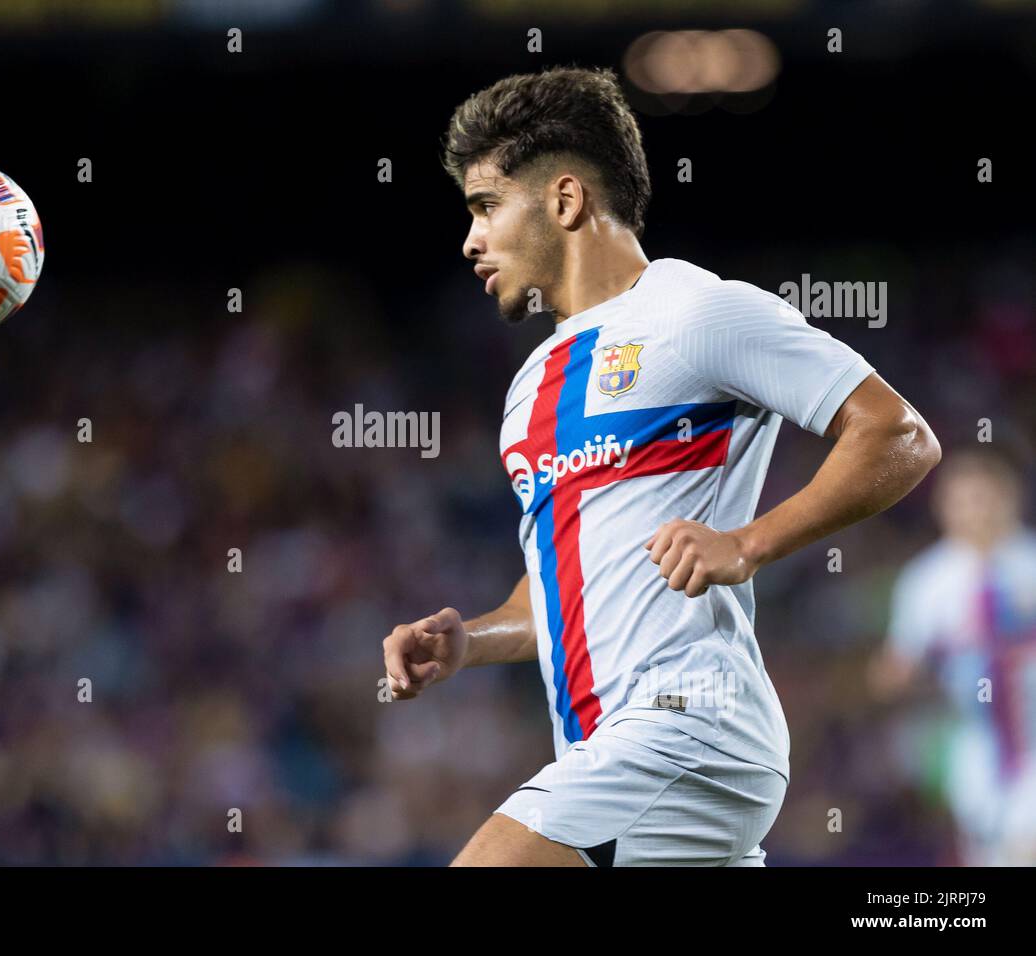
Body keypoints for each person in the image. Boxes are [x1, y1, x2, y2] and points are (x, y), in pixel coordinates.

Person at [382, 65, 940, 866]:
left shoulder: (696, 312)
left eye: (485, 205)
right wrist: (470, 640)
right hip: (614, 745)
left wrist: (747, 543)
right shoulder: (528, 392)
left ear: (565, 199)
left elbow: (896, 433)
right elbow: (561, 595)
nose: (470, 238)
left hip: (689, 720)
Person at [870, 448, 1036, 865]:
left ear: (1009, 497)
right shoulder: (927, 581)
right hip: (975, 740)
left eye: (982, 498)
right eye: (960, 501)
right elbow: (897, 666)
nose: (972, 513)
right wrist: (900, 674)